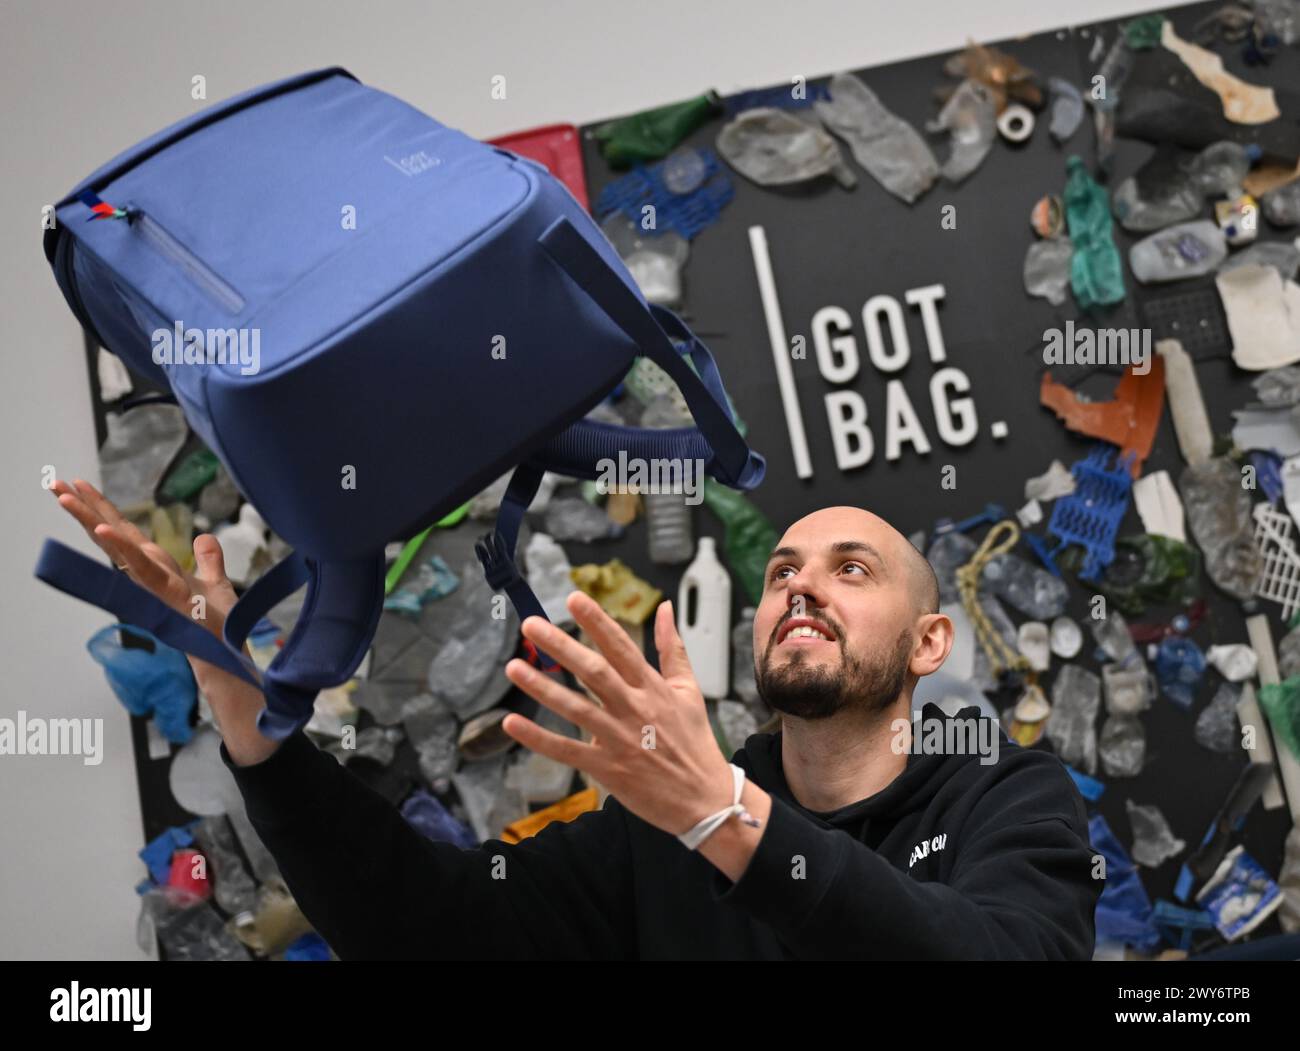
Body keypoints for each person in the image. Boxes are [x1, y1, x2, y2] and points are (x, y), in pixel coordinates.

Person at [53, 480, 1100, 960]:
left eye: (850, 569)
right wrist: (257, 730)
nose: (799, 589)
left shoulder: (1006, 796)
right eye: (781, 571)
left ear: (929, 643)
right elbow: (428, 928)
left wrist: (726, 819)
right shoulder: (659, 830)